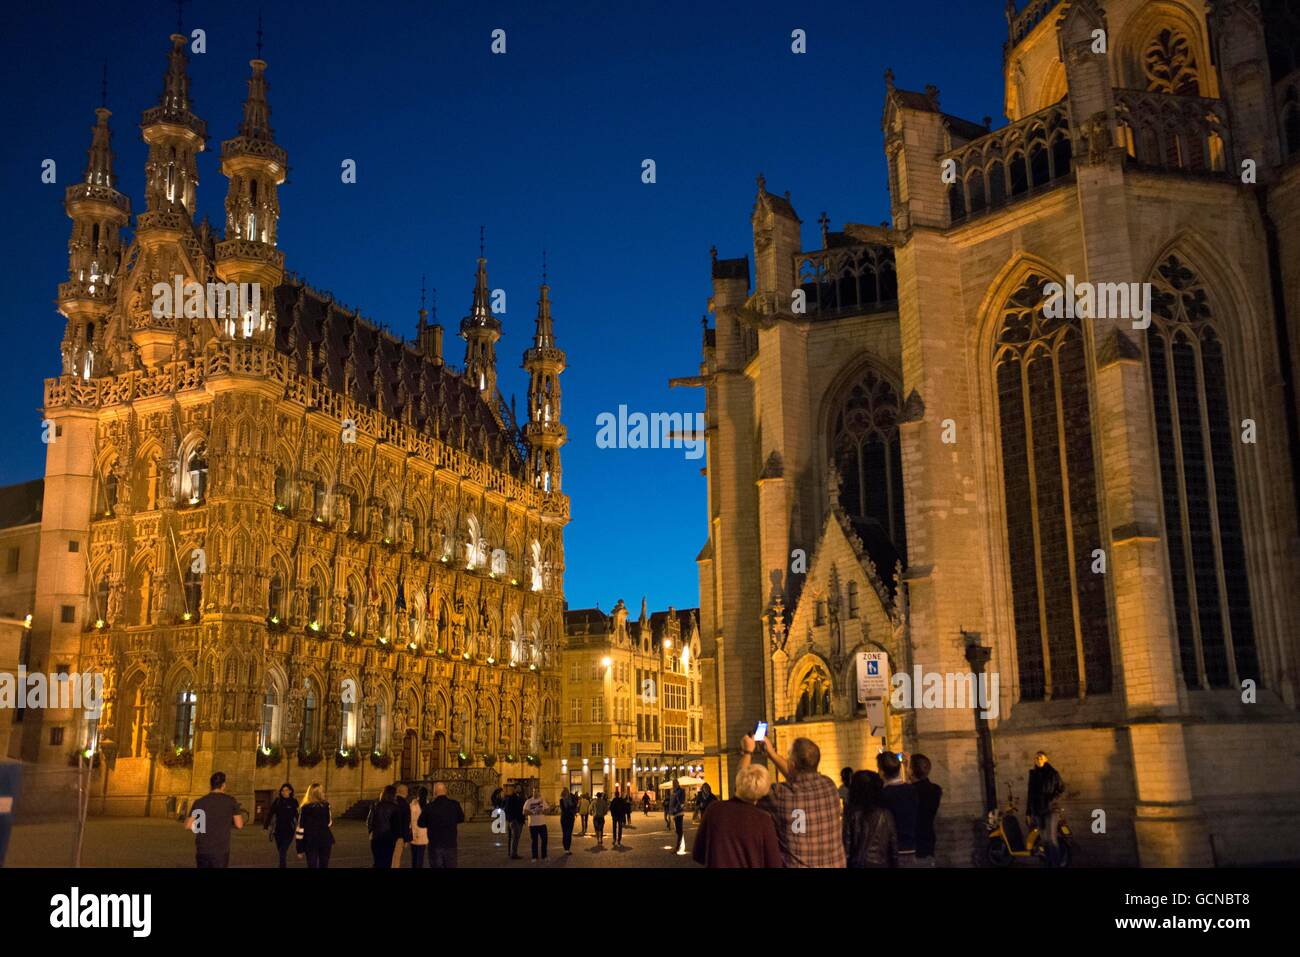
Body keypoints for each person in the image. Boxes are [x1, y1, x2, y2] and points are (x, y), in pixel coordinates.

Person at [742, 729, 845, 867]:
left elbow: (743, 788)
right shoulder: (829, 786)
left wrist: (747, 752)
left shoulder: (780, 795)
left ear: (792, 764)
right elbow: (797, 775)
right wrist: (771, 754)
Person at [691, 765, 784, 868]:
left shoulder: (714, 810)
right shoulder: (763, 819)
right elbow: (774, 863)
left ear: (737, 783)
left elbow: (698, 854)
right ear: (764, 790)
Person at [187, 770, 245, 868]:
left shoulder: (199, 802)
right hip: (220, 849)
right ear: (224, 785)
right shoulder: (230, 801)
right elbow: (239, 825)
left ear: (211, 785)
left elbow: (188, 825)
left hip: (203, 848)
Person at [843, 770, 898, 868]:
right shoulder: (886, 814)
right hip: (881, 864)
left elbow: (847, 849)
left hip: (857, 864)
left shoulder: (851, 814)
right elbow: (893, 848)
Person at [876, 751, 919, 867]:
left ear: (881, 772)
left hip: (892, 852)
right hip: (911, 848)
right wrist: (908, 765)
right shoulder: (912, 791)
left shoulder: (882, 796)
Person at [1027, 751, 1065, 867]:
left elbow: (1061, 788)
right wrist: (1028, 812)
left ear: (1046, 759)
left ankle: (1056, 864)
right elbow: (1030, 794)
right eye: (1036, 758)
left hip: (1051, 810)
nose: (1038, 759)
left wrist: (1051, 799)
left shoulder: (1053, 773)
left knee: (1052, 839)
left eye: (1041, 757)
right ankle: (1049, 864)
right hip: (1038, 810)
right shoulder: (1033, 774)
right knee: (1044, 840)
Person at [419, 781, 465, 868]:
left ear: (435, 792)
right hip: (450, 843)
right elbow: (461, 818)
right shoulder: (454, 805)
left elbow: (420, 823)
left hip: (435, 844)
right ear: (446, 791)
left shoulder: (429, 807)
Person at [911, 754, 943, 865]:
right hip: (929, 838)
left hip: (913, 841)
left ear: (911, 770)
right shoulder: (936, 789)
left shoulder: (910, 791)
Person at [297, 782, 335, 869]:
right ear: (319, 793)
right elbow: (329, 823)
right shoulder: (326, 805)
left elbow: (300, 828)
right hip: (325, 838)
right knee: (324, 864)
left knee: (311, 864)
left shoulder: (305, 808)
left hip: (310, 840)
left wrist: (299, 848)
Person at [263, 782, 299, 868]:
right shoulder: (277, 801)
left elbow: (297, 815)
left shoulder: (293, 802)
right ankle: (282, 864)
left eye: (286, 790)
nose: (284, 792)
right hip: (278, 830)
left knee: (283, 850)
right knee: (281, 851)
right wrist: (266, 826)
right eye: (282, 790)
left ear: (290, 791)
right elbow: (270, 813)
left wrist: (301, 825)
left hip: (289, 829)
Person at [367, 784, 403, 868]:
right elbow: (397, 825)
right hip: (388, 839)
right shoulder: (395, 808)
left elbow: (369, 821)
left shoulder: (375, 806)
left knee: (377, 861)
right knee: (387, 862)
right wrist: (396, 837)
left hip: (376, 837)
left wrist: (371, 832)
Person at [524, 785, 549, 861]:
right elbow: (524, 812)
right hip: (533, 825)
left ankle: (544, 856)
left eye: (537, 791)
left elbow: (547, 810)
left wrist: (542, 811)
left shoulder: (542, 800)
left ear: (539, 792)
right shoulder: (529, 801)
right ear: (532, 792)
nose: (535, 793)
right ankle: (534, 856)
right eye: (534, 791)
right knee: (534, 841)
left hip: (542, 824)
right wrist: (533, 812)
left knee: (544, 840)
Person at [392, 782, 413, 867]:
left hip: (387, 835)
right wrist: (406, 839)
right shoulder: (405, 805)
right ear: (404, 792)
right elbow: (406, 823)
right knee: (396, 858)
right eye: (407, 791)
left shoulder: (391, 801)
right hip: (399, 837)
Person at [409, 786, 430, 868]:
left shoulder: (413, 805)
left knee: (415, 857)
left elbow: (409, 819)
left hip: (415, 833)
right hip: (422, 833)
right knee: (419, 857)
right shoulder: (428, 805)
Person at [504, 783, 526, 859]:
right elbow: (507, 809)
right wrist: (511, 820)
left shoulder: (521, 797)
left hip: (520, 820)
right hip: (514, 821)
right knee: (515, 837)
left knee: (516, 837)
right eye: (518, 787)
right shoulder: (511, 797)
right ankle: (513, 853)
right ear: (515, 788)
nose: (519, 789)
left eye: (520, 787)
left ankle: (513, 852)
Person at [669, 783, 687, 854]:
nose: (673, 785)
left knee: (679, 830)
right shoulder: (674, 791)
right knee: (677, 830)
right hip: (675, 813)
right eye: (673, 784)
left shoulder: (680, 791)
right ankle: (679, 846)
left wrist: (676, 809)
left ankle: (678, 847)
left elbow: (681, 802)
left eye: (674, 783)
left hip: (678, 813)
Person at [558, 787, 577, 853]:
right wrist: (570, 805)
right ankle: (565, 848)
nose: (566, 793)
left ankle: (567, 848)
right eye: (564, 792)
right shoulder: (561, 800)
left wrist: (570, 804)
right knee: (565, 833)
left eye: (566, 792)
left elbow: (575, 805)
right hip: (564, 819)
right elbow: (563, 809)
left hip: (571, 818)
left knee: (569, 833)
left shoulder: (571, 799)